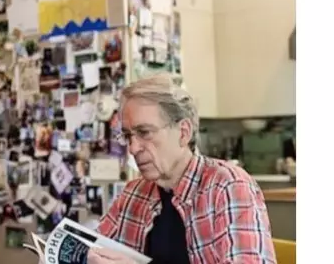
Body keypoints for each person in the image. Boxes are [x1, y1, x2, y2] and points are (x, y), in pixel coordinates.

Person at [88, 74, 277, 264]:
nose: (133, 148)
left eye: (145, 132)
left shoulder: (229, 187)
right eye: (128, 136)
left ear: (183, 132)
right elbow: (92, 249)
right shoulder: (133, 194)